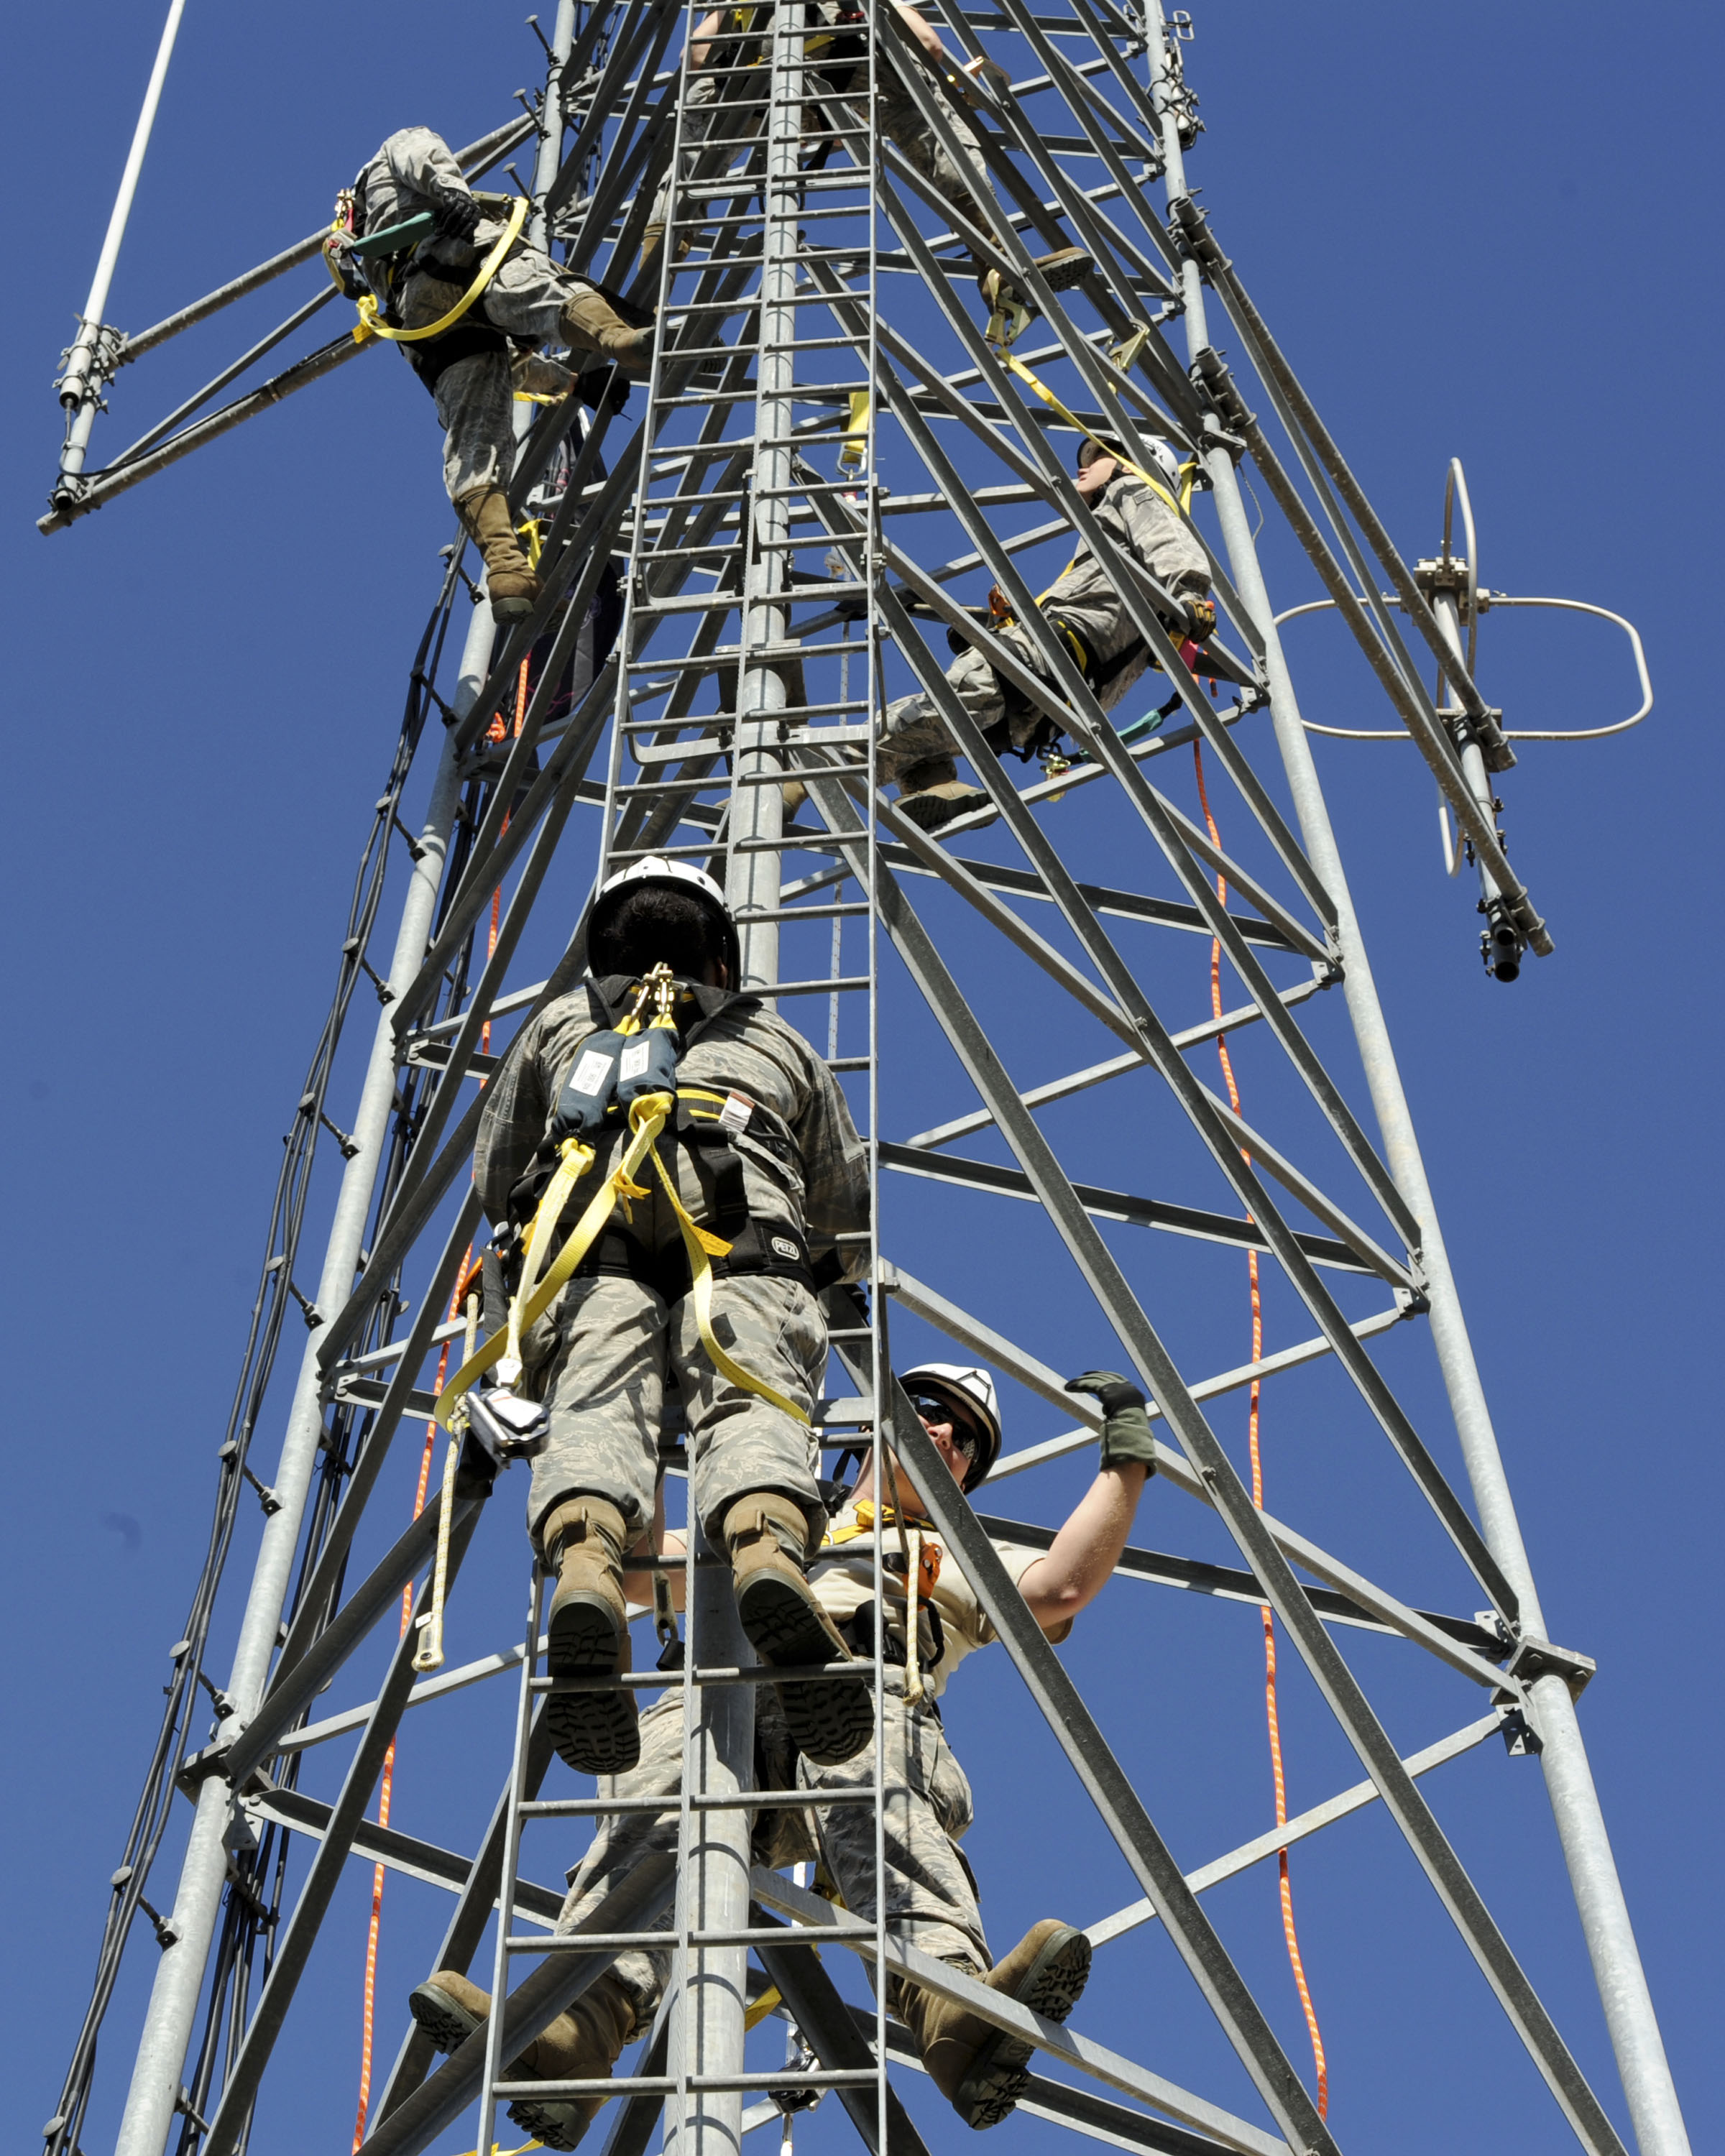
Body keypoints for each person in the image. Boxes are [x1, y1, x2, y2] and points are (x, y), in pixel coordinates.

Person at [407, 1360, 1160, 2144]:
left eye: (968, 1439)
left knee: (878, 1790)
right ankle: (573, 2033)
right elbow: (637, 1571)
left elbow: (1064, 1588)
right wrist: (628, 1442)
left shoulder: (957, 1556)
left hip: (856, 1694)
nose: (945, 1433)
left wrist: (1126, 1460)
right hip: (721, 1692)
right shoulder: (767, 1507)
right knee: (653, 1813)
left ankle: (953, 2011)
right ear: (878, 1420)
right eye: (931, 1409)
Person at [470, 856, 871, 1781]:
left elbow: (501, 1180)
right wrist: (809, 1274)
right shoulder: (776, 1038)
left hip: (590, 1224)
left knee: (596, 1402)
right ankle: (770, 1551)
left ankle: (588, 1569)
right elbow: (844, 1213)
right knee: (750, 1386)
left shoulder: (561, 1024)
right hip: (737, 1226)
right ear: (722, 960)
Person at [328, 127, 657, 623]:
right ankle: (621, 338)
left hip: (427, 322)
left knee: (474, 440)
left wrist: (573, 385)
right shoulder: (386, 157)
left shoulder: (377, 279)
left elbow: (506, 369)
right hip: (456, 248)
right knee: (540, 289)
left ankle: (506, 567)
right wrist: (455, 197)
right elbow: (424, 156)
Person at [642, 0, 1091, 318]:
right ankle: (995, 264)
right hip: (845, 85)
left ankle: (650, 293)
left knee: (692, 156)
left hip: (757, 93)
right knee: (926, 103)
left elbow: (695, 54)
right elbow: (929, 45)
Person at [880, 434, 1219, 829]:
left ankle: (820, 763)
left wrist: (1190, 590)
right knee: (940, 730)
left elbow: (1170, 541)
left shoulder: (1133, 489)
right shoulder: (1114, 554)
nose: (1083, 466)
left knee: (921, 716)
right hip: (1060, 706)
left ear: (1132, 464)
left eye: (1099, 458)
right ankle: (936, 784)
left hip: (1046, 657)